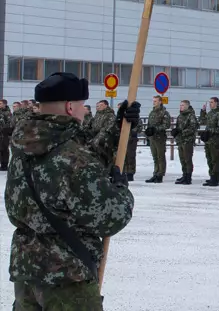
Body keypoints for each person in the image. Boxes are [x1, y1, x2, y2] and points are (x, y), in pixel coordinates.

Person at [6, 73, 136, 310]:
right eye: (82, 106)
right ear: (69, 107)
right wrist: (120, 189)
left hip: (27, 271)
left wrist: (119, 128)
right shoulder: (72, 157)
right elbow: (110, 218)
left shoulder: (24, 146)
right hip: (67, 277)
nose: (85, 111)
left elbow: (82, 154)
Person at [200, 97, 219, 186]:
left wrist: (210, 131)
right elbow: (203, 121)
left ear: (216, 103)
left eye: (211, 102)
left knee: (215, 160)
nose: (210, 104)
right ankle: (213, 176)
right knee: (210, 159)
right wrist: (203, 112)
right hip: (209, 141)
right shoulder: (211, 113)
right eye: (209, 102)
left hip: (216, 141)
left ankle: (215, 178)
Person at [144, 95, 172, 184]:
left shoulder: (164, 113)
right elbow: (149, 124)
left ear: (160, 102)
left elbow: (166, 125)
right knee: (155, 157)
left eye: (155, 101)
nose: (154, 102)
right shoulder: (152, 112)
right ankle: (155, 173)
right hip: (152, 138)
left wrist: (156, 129)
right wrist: (148, 135)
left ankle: (160, 174)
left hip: (160, 138)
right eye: (153, 101)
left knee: (161, 157)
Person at [173, 100, 198, 185]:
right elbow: (178, 127)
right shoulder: (180, 116)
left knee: (187, 159)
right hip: (180, 141)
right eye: (180, 105)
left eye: (183, 105)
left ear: (187, 106)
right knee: (182, 159)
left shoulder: (191, 116)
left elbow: (193, 127)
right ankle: (184, 174)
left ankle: (188, 177)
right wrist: (176, 132)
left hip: (188, 141)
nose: (181, 107)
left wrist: (181, 132)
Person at [0, 98, 13, 171]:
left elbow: (9, 123)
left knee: (4, 149)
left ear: (4, 104)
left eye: (0, 103)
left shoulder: (8, 113)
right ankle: (2, 164)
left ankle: (4, 165)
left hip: (4, 134)